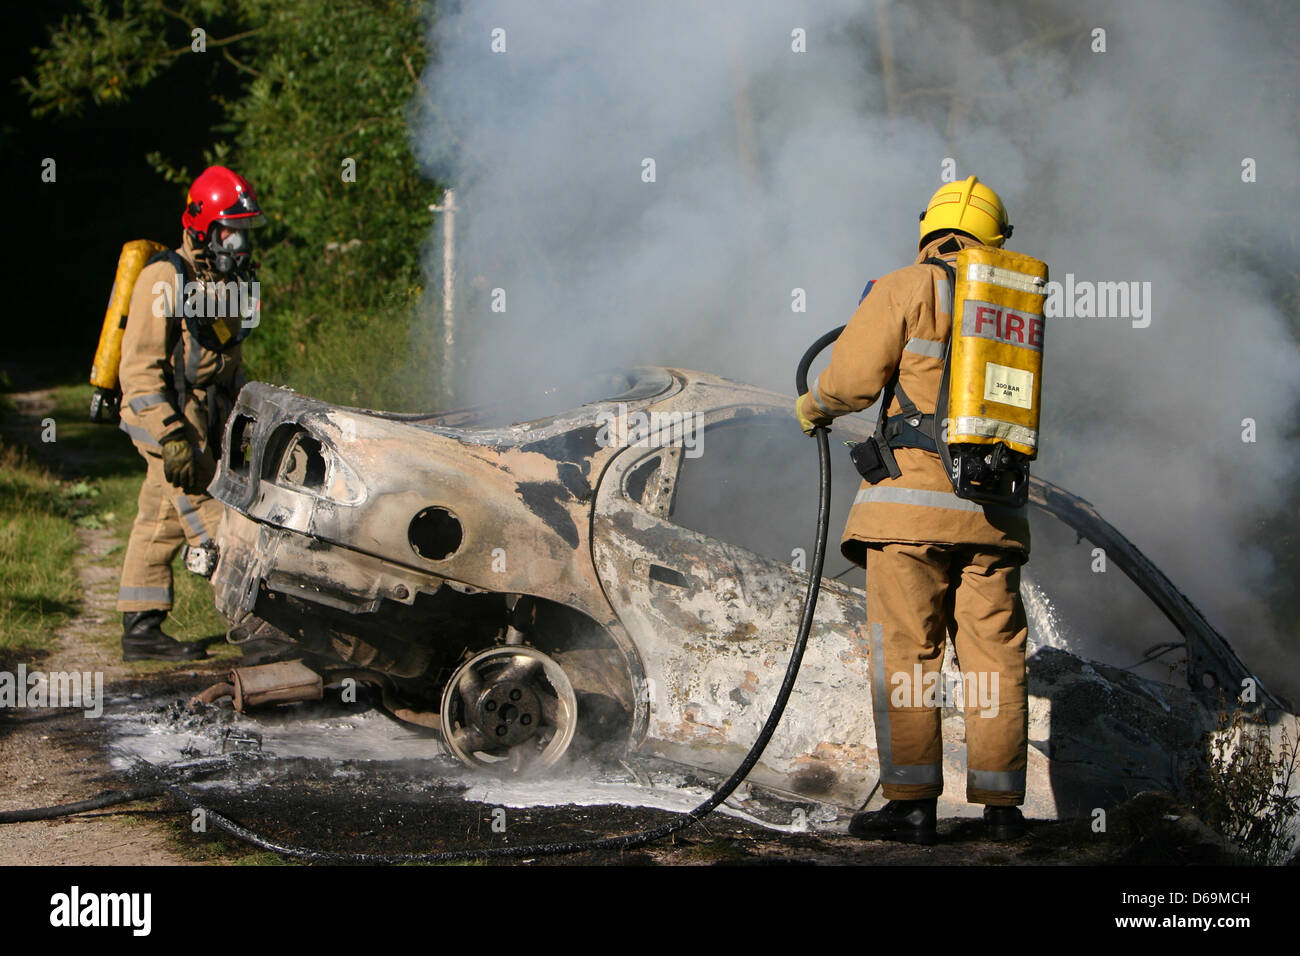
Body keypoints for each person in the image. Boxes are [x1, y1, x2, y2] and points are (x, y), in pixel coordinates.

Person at [796, 175, 1031, 844]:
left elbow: (850, 382)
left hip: (910, 514)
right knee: (994, 659)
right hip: (995, 517)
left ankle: (912, 804)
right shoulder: (1014, 308)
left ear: (931, 230)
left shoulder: (905, 286)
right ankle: (1002, 810)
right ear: (994, 236)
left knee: (909, 653)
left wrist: (812, 406)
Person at [116, 165, 266, 661]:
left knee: (159, 516)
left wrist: (250, 418)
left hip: (203, 417)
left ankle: (141, 629)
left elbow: (227, 366)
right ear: (202, 227)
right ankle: (257, 624)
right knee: (215, 518)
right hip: (164, 415)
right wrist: (172, 436)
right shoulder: (165, 277)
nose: (239, 246)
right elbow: (138, 373)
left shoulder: (223, 282)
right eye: (229, 232)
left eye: (244, 233)